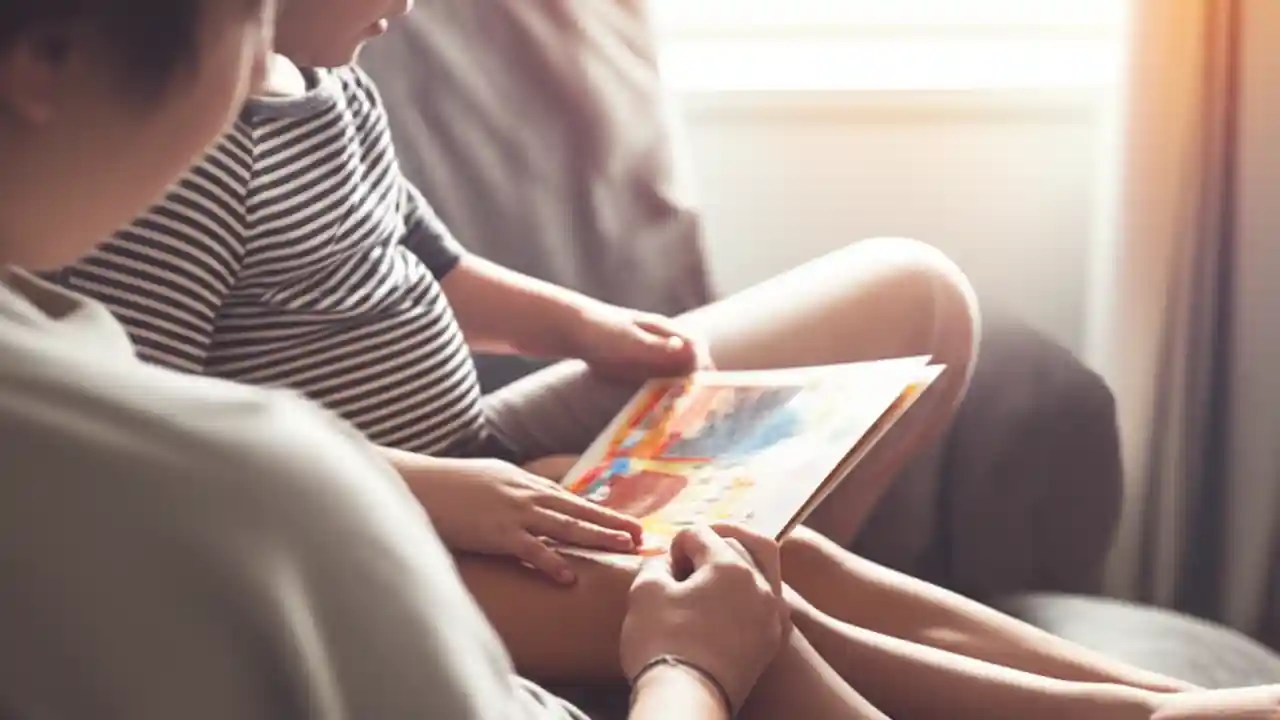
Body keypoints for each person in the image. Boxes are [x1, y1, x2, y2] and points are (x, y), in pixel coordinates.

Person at [41, 0, 1265, 709]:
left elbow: (427, 258)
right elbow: (164, 429)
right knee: (742, 585)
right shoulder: (171, 161)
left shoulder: (327, 77)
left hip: (480, 448)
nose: (408, 9)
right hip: (398, 511)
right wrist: (433, 494)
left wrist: (576, 328)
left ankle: (1158, 705)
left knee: (913, 298)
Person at [0, 2, 802, 718]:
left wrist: (579, 325)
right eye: (248, 12)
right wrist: (690, 670)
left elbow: (422, 252)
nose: (261, 54)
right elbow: (168, 399)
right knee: (738, 601)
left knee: (763, 565)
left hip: (458, 462)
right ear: (45, 61)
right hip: (424, 506)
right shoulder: (252, 482)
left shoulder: (330, 94)